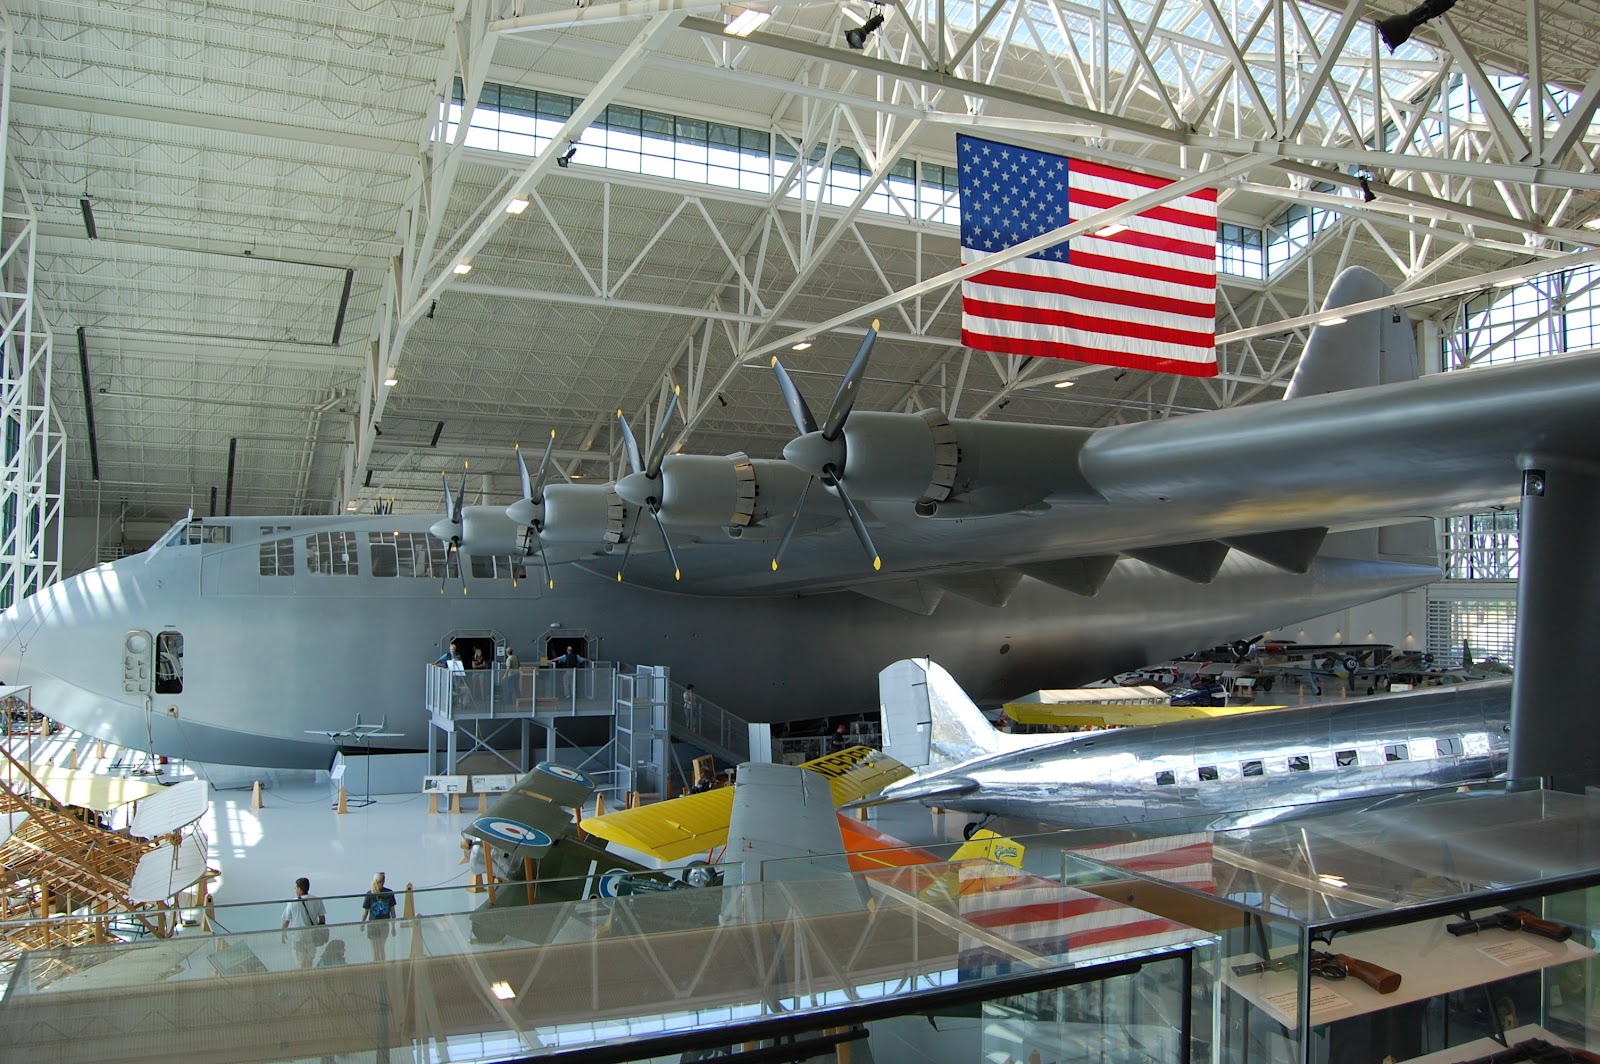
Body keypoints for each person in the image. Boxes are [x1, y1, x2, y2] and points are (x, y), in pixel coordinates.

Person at [279, 876, 327, 969]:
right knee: (309, 960)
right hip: (312, 935)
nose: (295, 889)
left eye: (295, 888)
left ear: (300, 889)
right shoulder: (316, 900)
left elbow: (286, 921)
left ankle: (303, 979)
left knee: (301, 961)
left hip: (298, 936)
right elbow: (322, 919)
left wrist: (283, 934)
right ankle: (310, 978)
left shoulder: (292, 903)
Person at [361, 871, 397, 962]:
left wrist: (393, 926)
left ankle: (381, 965)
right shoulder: (370, 894)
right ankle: (377, 965)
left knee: (381, 948)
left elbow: (392, 911)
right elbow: (366, 911)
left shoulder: (389, 893)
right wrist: (362, 923)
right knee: (375, 949)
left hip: (384, 925)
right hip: (373, 925)